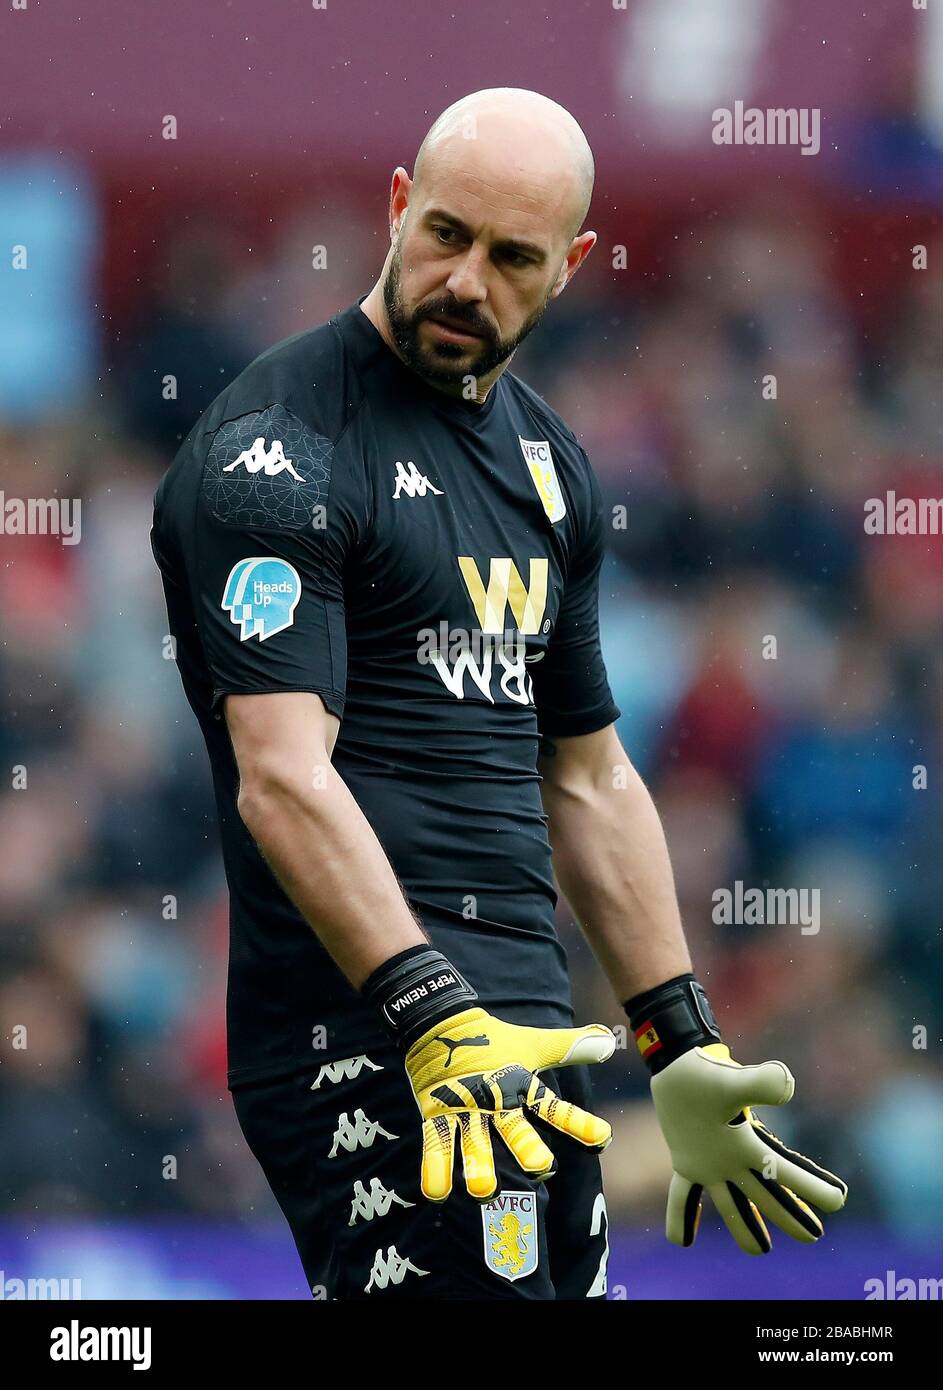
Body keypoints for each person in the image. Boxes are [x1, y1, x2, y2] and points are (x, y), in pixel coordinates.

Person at [150, 87, 847, 1301]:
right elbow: (282, 778)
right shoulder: (274, 449)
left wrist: (676, 1037)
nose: (466, 280)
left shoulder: (549, 465)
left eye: (512, 257)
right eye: (445, 236)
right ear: (396, 205)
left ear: (570, 265)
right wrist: (434, 1018)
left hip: (528, 1039)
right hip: (366, 1035)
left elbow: (587, 775)